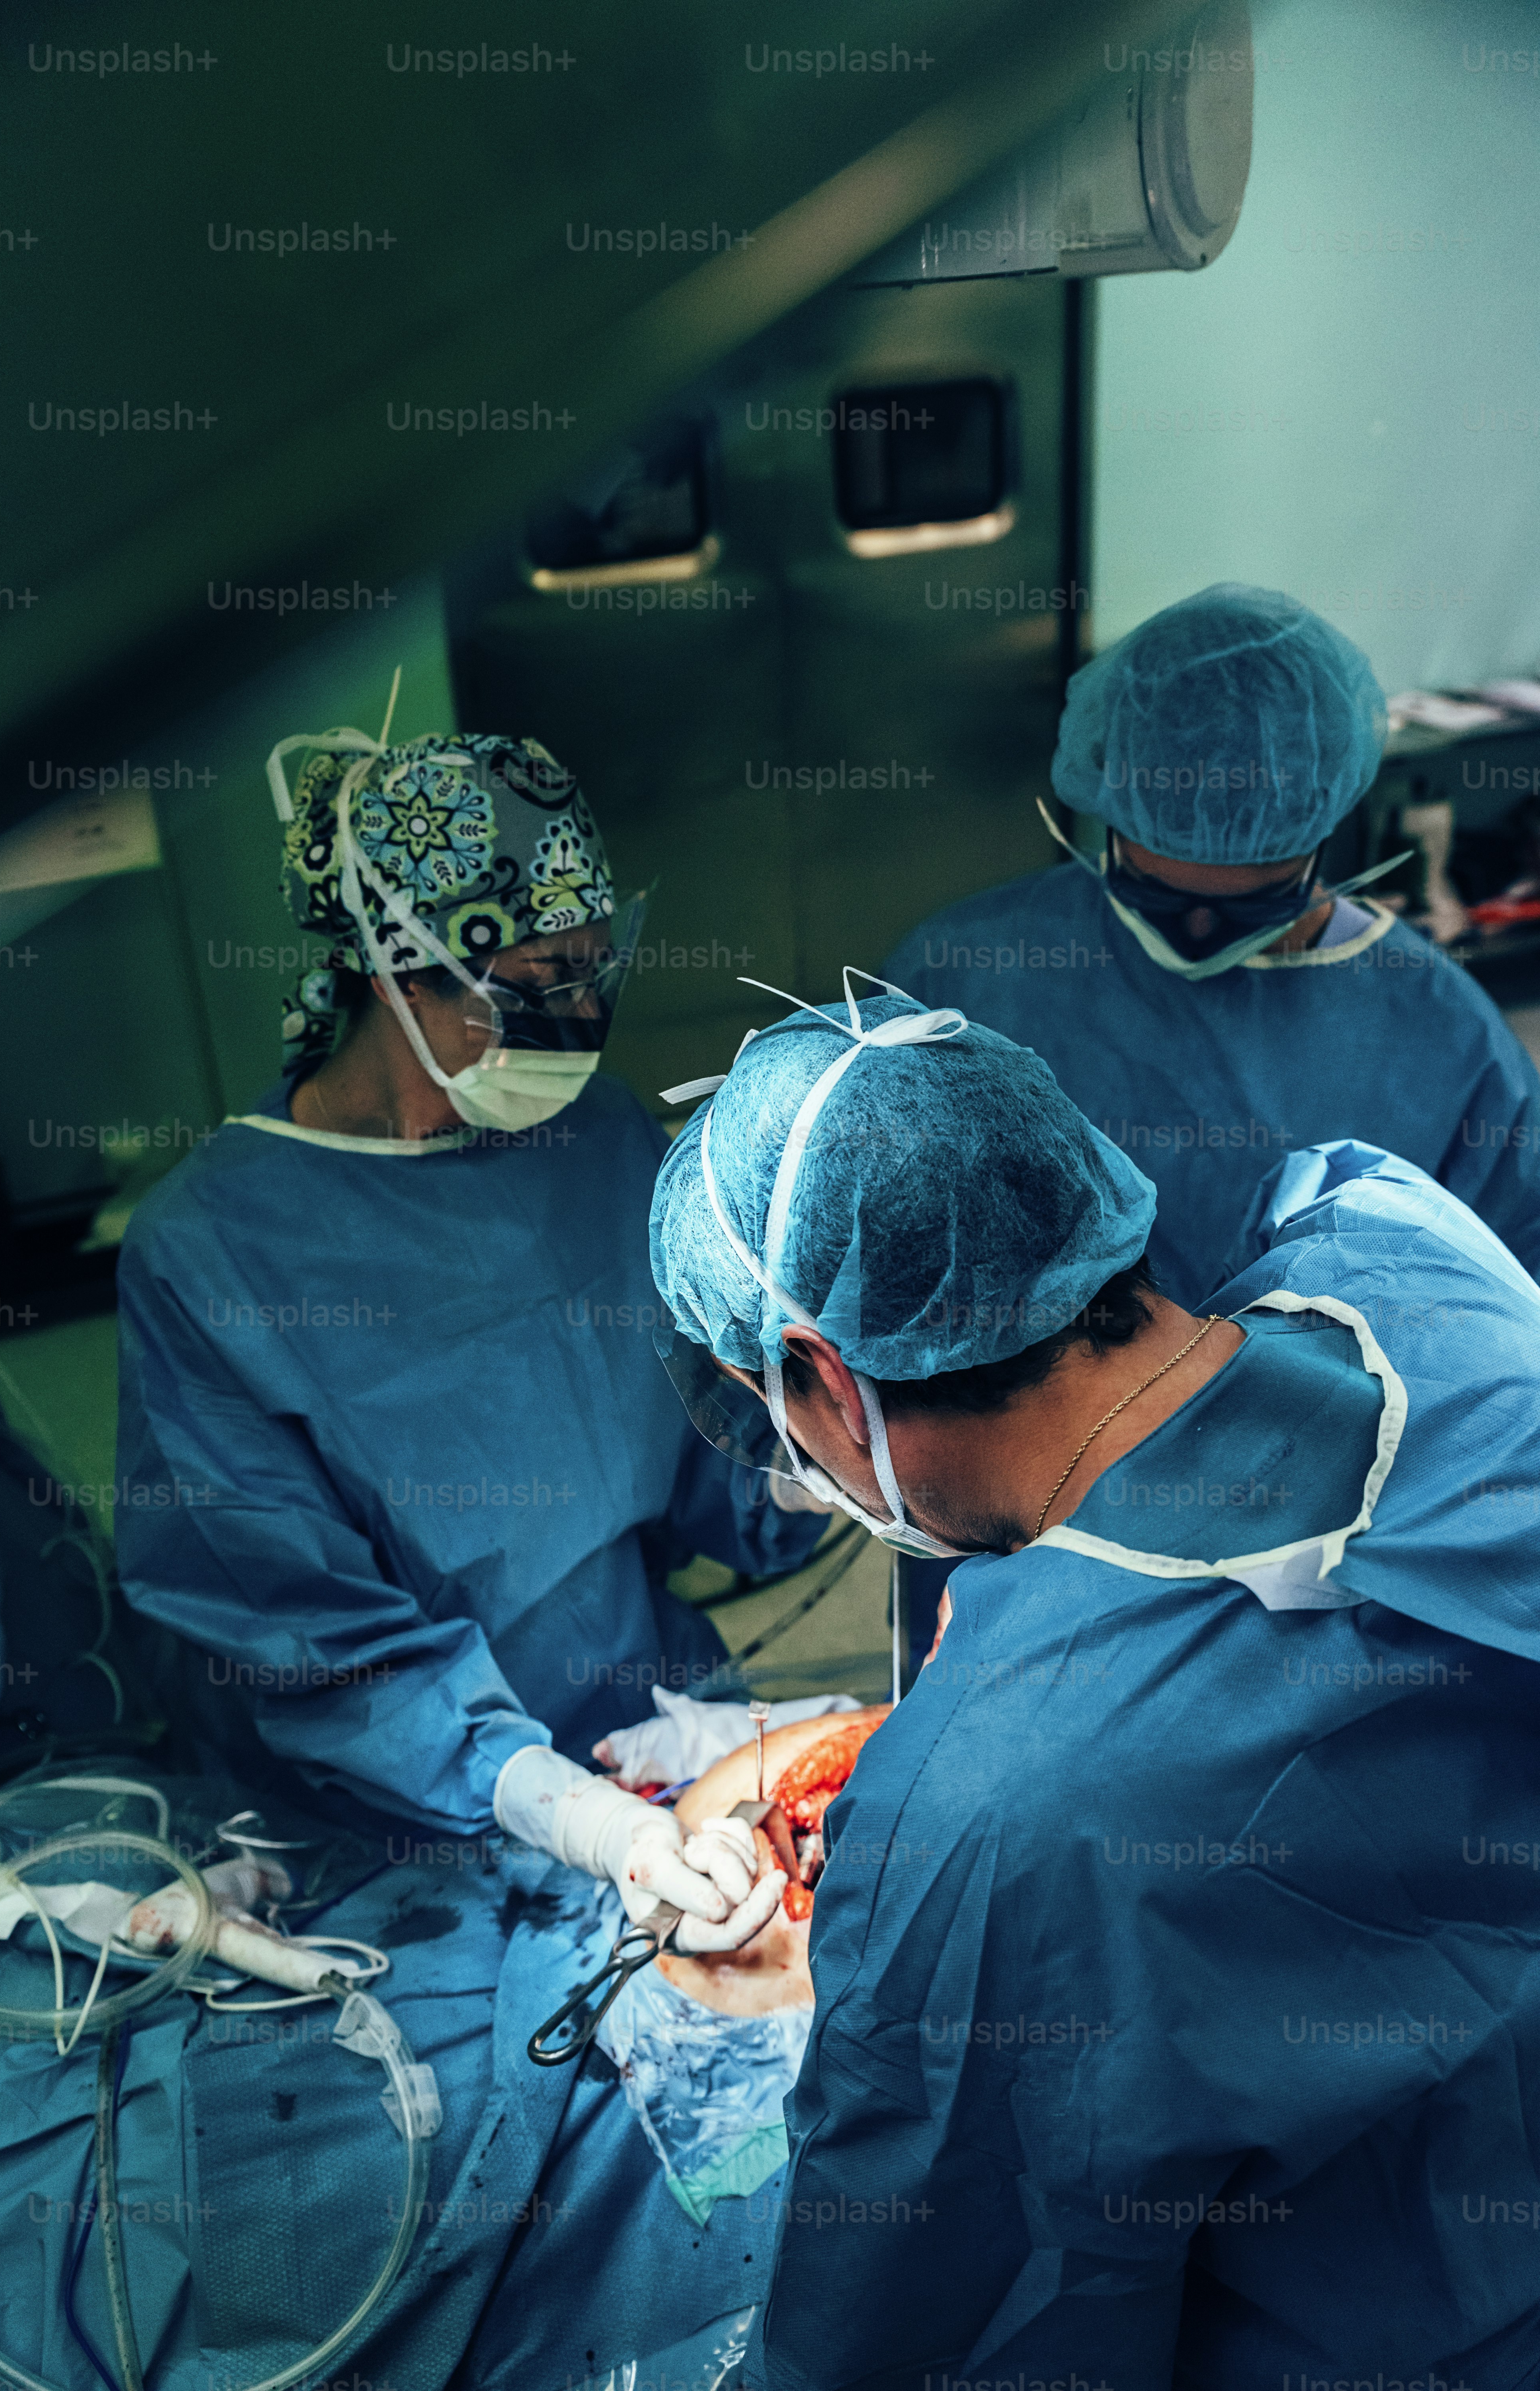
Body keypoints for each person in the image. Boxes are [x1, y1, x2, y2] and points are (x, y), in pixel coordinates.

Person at [648, 970, 1540, 2387]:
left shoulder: (998, 1821)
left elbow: (924, 2330)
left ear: (822, 1373)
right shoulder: (1381, 1243)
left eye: (773, 1409)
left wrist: (995, 1733)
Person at [114, 693, 824, 1953]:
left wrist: (825, 1456)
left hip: (631, 1707)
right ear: (396, 970)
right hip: (372, 1811)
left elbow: (703, 1443)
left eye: (598, 970)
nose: (584, 1020)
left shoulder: (597, 1139)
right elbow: (307, 1647)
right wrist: (580, 1821)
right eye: (541, 986)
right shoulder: (212, 1254)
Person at [884, 583, 1540, 1306]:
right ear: (1110, 807)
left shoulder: (1444, 1041)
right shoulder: (969, 968)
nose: (1197, 933)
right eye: (1159, 896)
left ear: (1319, 836)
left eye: (1250, 905)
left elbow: (1503, 1312)